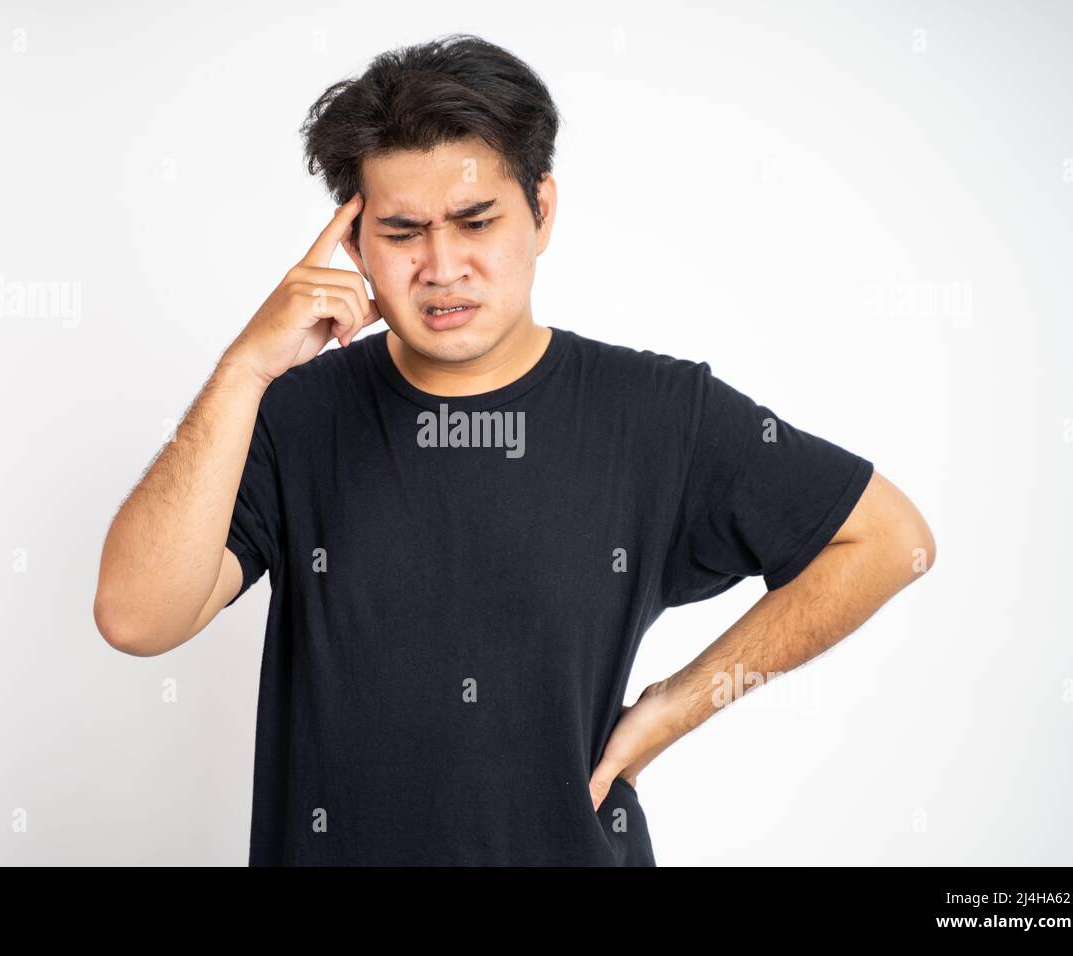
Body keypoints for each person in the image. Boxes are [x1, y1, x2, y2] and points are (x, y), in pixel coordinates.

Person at [93, 33, 936, 866]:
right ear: (353, 248)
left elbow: (891, 542)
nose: (442, 265)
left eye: (475, 221)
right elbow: (136, 619)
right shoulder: (291, 415)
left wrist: (681, 704)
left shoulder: (657, 414)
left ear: (542, 211)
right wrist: (245, 369)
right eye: (402, 232)